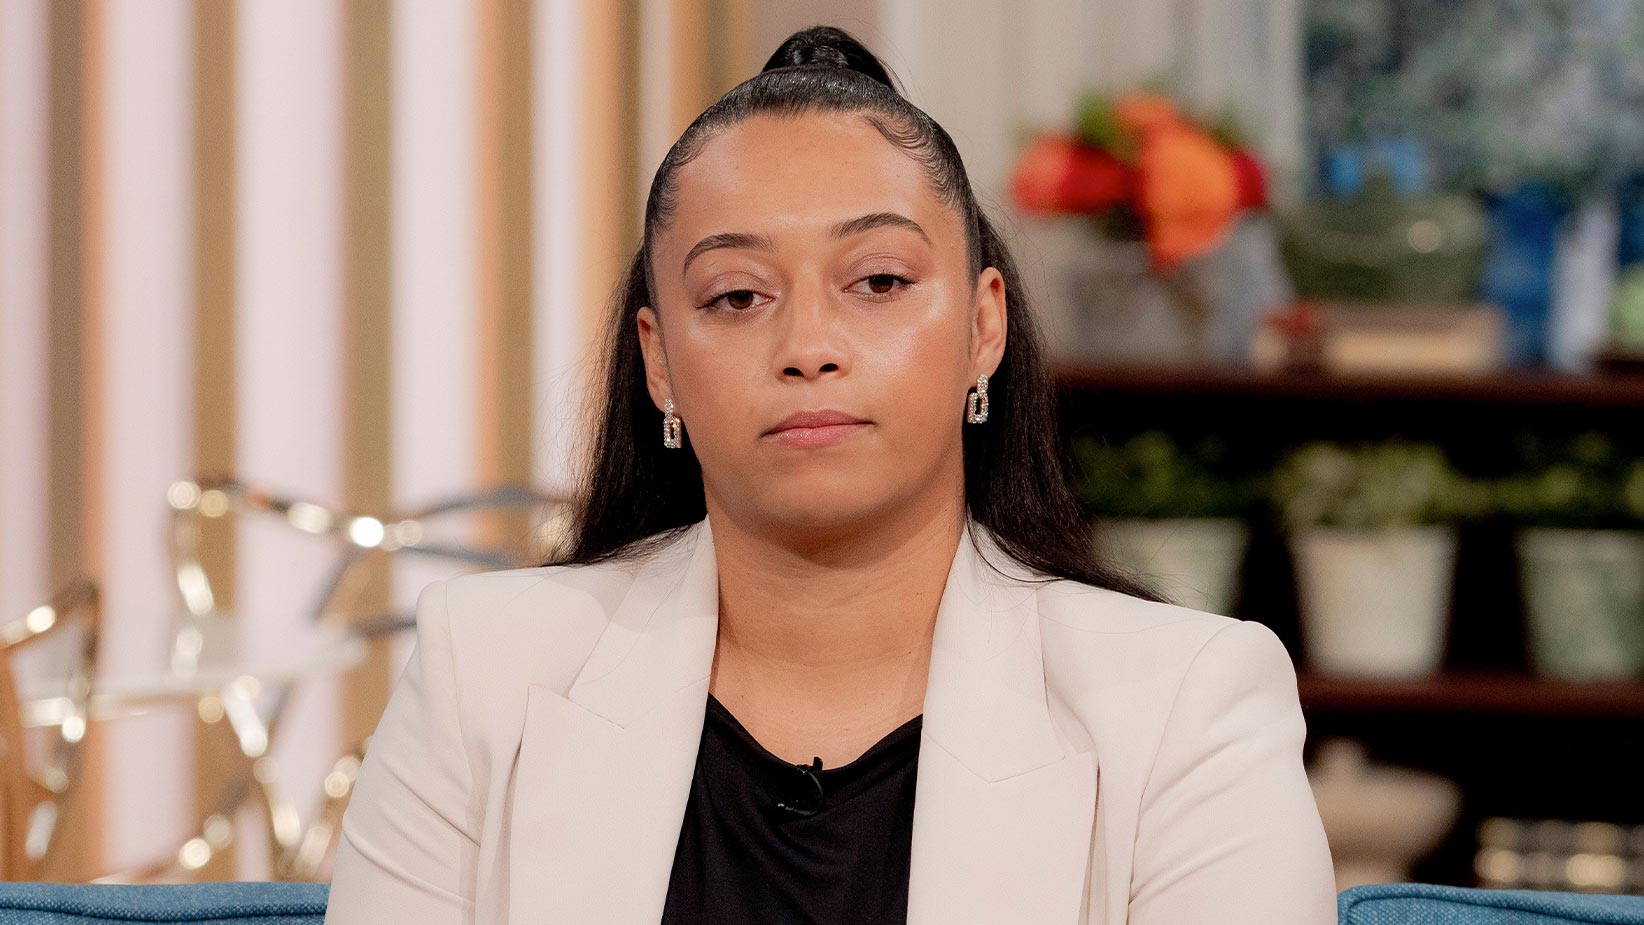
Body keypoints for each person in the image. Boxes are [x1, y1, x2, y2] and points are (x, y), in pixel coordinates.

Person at [326, 24, 1338, 925]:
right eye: (736, 297)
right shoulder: (483, 678)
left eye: (879, 281)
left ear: (983, 326)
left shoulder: (1182, 710)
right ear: (659, 360)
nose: (808, 346)